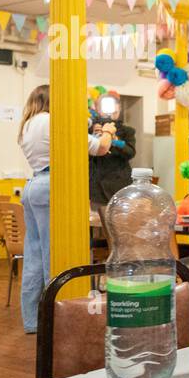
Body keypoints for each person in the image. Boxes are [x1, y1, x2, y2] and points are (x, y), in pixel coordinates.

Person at [17, 84, 113, 332]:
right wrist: (108, 131)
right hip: (53, 186)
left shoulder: (28, 123)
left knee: (34, 256)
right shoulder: (53, 121)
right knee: (54, 255)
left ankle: (33, 321)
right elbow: (100, 147)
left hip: (33, 185)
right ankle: (58, 318)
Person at [88, 94, 136, 208]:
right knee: (97, 221)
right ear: (97, 108)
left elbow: (130, 153)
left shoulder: (127, 131)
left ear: (118, 107)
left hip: (119, 184)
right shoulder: (91, 128)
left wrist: (114, 139)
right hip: (97, 187)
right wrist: (94, 137)